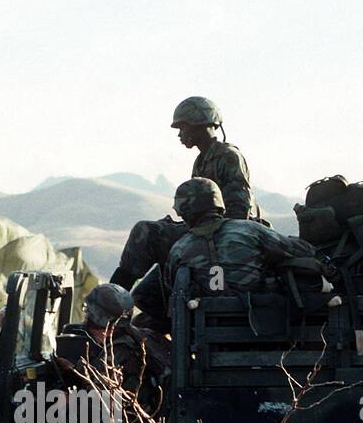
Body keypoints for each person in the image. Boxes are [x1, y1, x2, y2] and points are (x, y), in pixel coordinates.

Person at [133, 178, 332, 334]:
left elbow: (173, 292)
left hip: (207, 335)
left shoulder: (178, 249)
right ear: (218, 204)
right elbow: (303, 251)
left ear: (185, 211)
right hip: (264, 328)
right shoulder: (250, 230)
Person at [109, 96, 262, 289]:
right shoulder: (202, 161)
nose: (180, 134)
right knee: (145, 294)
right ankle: (117, 300)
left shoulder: (228, 157)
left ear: (199, 124)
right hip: (202, 231)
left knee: (146, 232)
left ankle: (110, 305)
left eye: (184, 128)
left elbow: (240, 212)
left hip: (221, 235)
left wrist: (200, 236)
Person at [37, 284, 166, 423]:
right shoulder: (136, 340)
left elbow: (88, 413)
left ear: (100, 323)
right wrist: (76, 372)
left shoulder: (116, 354)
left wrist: (55, 404)